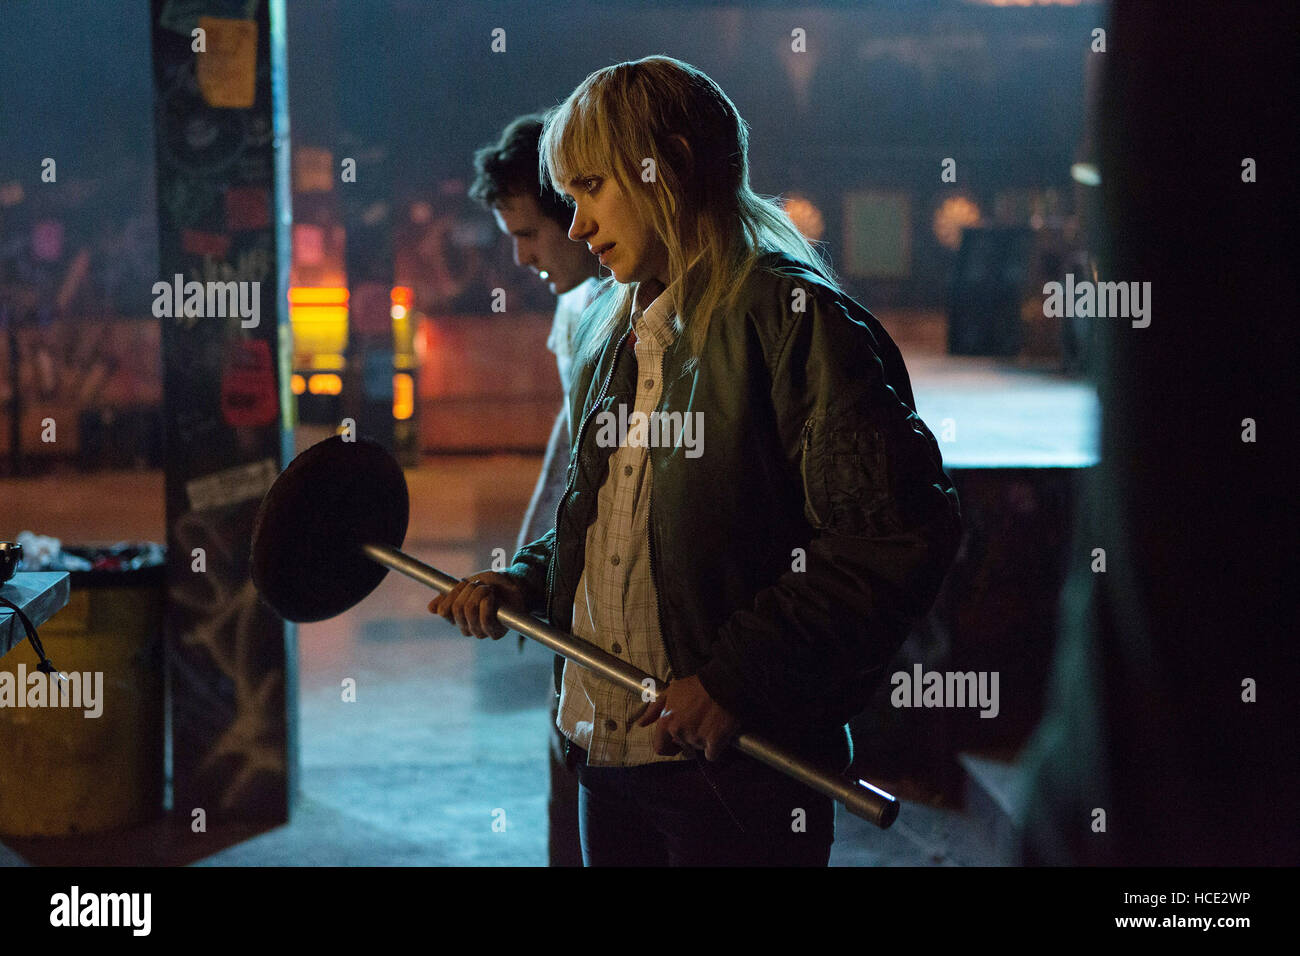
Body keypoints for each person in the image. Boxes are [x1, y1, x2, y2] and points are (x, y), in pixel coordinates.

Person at [431, 56, 961, 866]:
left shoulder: (790, 322)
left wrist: (736, 679)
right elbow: (606, 511)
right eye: (566, 201)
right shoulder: (623, 327)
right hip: (605, 754)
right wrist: (533, 579)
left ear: (669, 165)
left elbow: (890, 540)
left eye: (592, 189)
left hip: (732, 776)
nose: (574, 228)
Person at [464, 114, 601, 867]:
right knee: (567, 766)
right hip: (564, 583)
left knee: (583, 772)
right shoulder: (575, 304)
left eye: (530, 234)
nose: (521, 258)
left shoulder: (624, 310)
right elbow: (571, 451)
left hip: (598, 601)